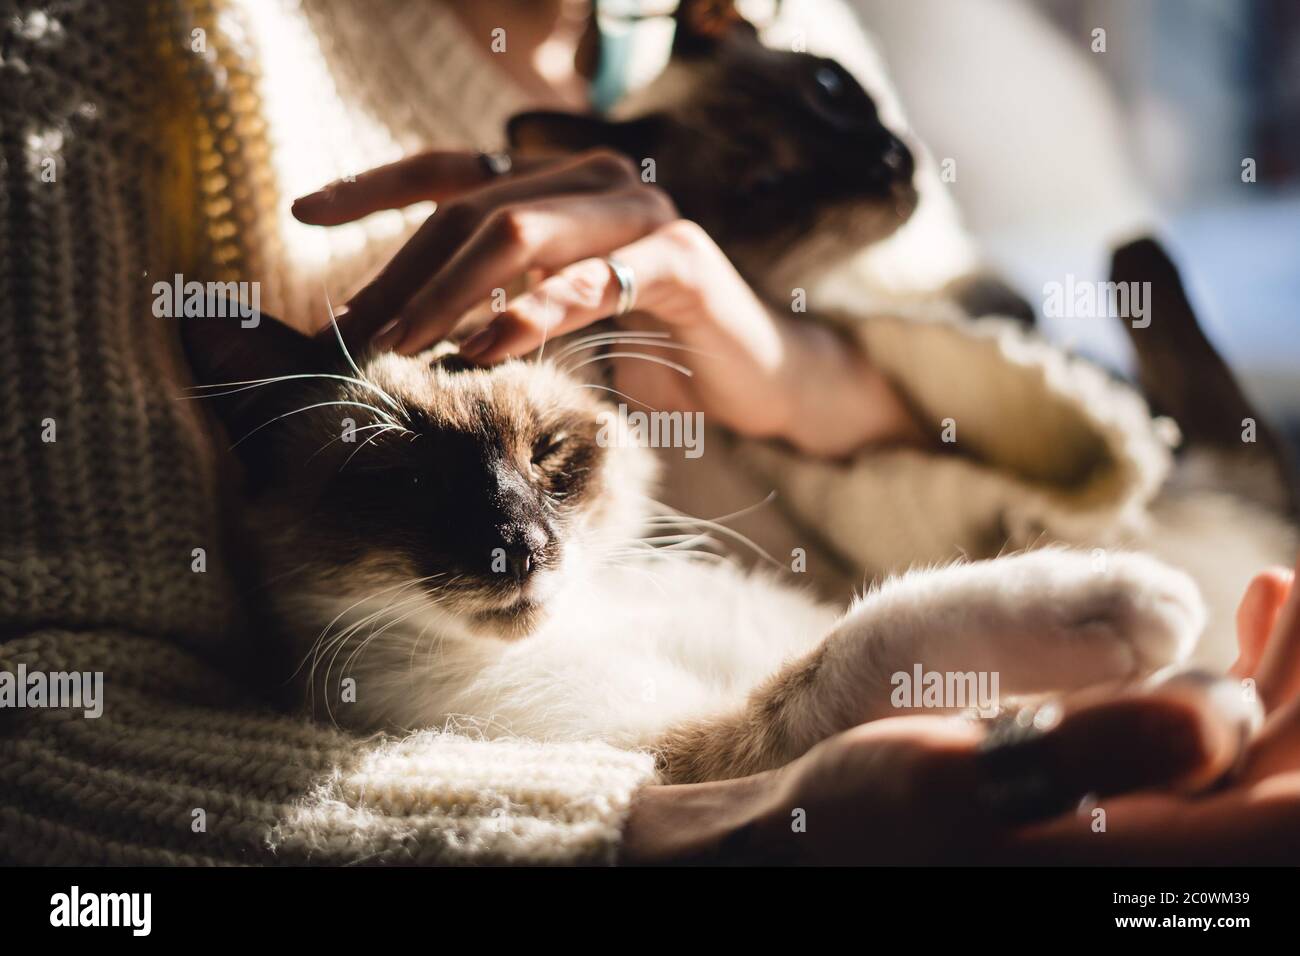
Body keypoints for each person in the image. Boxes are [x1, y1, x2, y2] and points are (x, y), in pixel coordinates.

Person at [1, 0, 1295, 866]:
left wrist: (794, 378)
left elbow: (1067, 506)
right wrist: (668, 833)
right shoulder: (105, 55)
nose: (515, 542)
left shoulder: (777, 21)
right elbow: (45, 739)